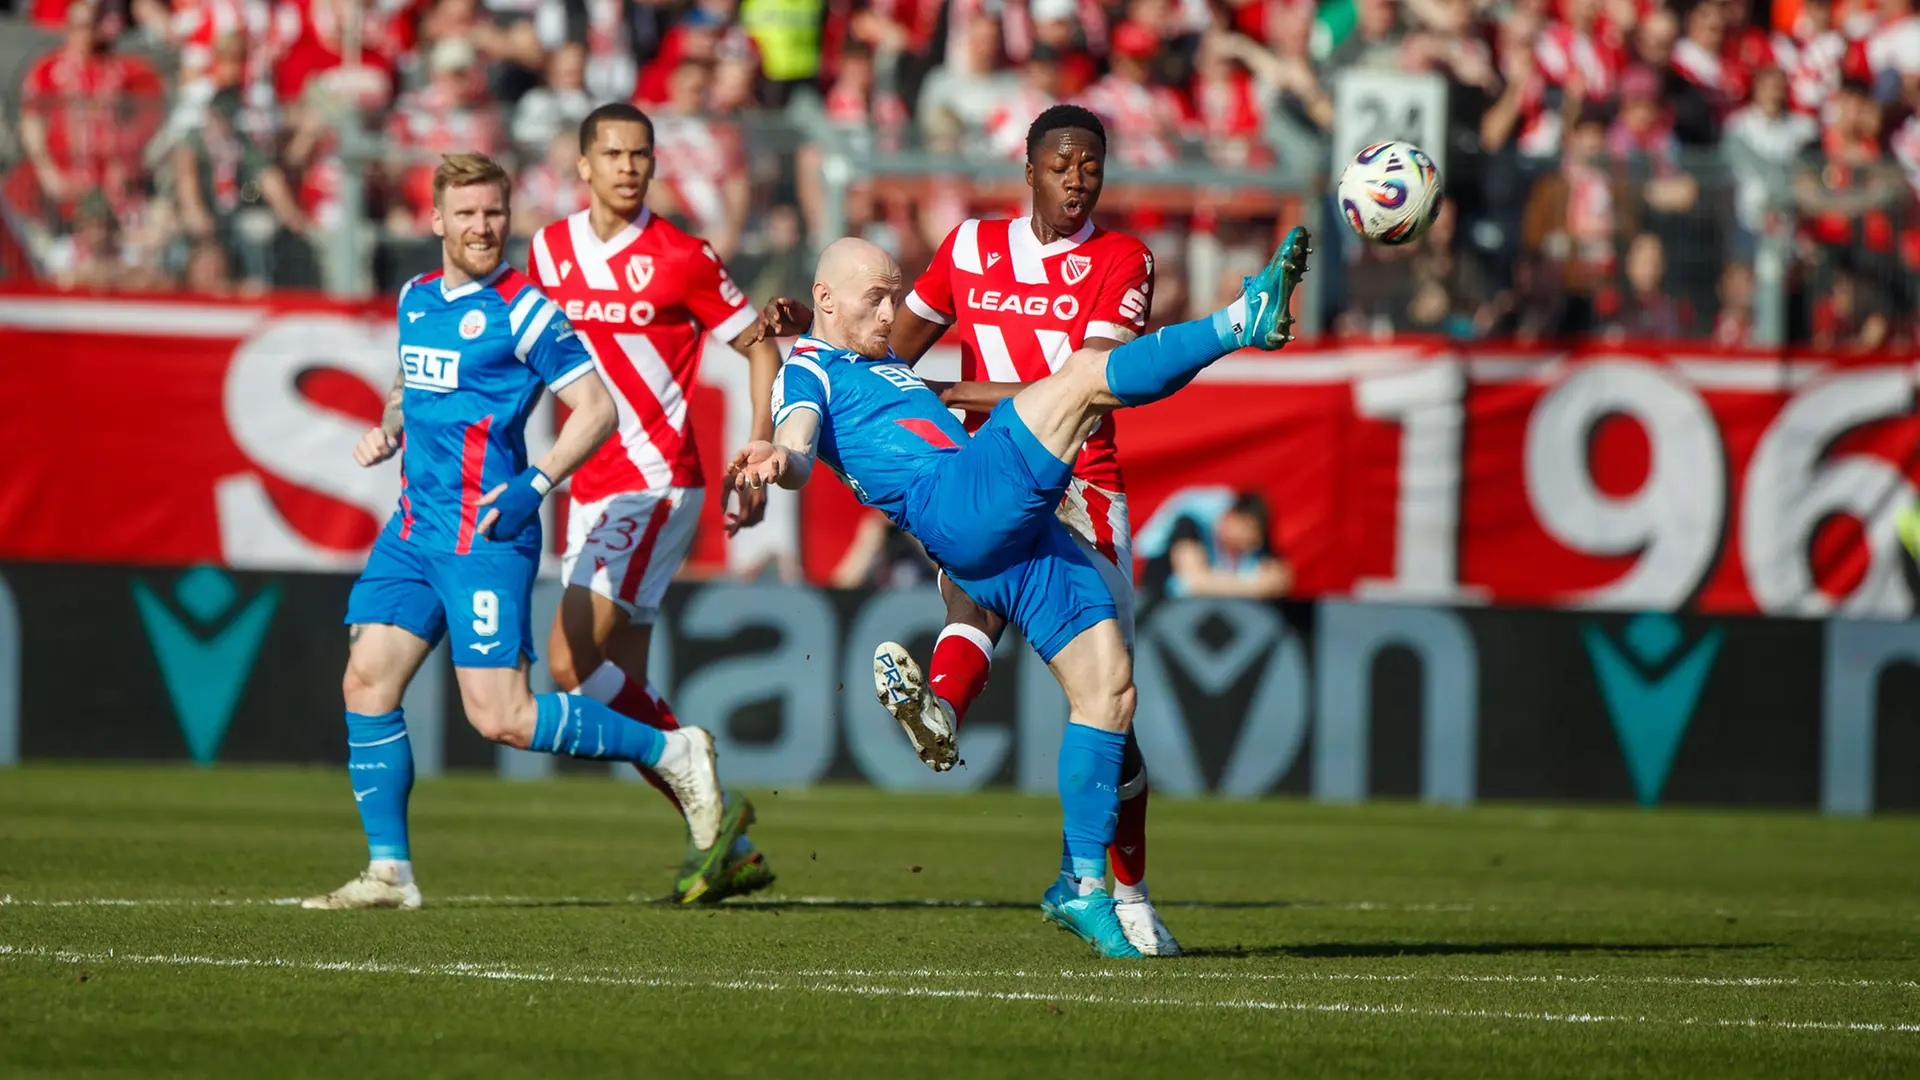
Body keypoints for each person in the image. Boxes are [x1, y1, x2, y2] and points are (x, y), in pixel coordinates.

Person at [729, 227, 1311, 956]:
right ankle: (1241, 321)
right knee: (1081, 379)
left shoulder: (883, 366)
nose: (889, 315)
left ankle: (1081, 884)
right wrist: (777, 457)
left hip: (1000, 538)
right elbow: (801, 445)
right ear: (825, 299)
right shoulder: (808, 369)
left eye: (894, 297)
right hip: (957, 502)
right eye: (875, 299)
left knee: (1110, 692)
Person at [751, 104, 1178, 954]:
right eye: (1061, 163)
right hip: (980, 477)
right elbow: (881, 354)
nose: (1077, 178)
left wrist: (960, 395)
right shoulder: (971, 250)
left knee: (1110, 708)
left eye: (1091, 165)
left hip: (1082, 483)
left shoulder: (1123, 258)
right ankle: (945, 711)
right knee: (971, 587)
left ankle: (1120, 886)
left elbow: (1086, 386)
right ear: (1028, 169)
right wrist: (807, 338)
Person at [303, 153, 748, 911]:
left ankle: (675, 750)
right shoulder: (416, 297)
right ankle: (389, 872)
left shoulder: (528, 309)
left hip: (486, 533)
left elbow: (598, 408)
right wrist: (388, 425)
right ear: (437, 221)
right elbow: (410, 381)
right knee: (366, 681)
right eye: (468, 213)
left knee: (501, 717)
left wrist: (535, 483)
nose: (483, 227)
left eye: (494, 213)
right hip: (413, 530)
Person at [529, 103, 782, 902]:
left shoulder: (682, 255)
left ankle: (701, 782)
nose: (630, 167)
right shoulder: (548, 249)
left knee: (569, 664)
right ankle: (723, 839)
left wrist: (758, 448)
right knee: (621, 700)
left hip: (654, 478)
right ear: (583, 166)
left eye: (641, 154)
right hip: (589, 485)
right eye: (613, 154)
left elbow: (758, 346)